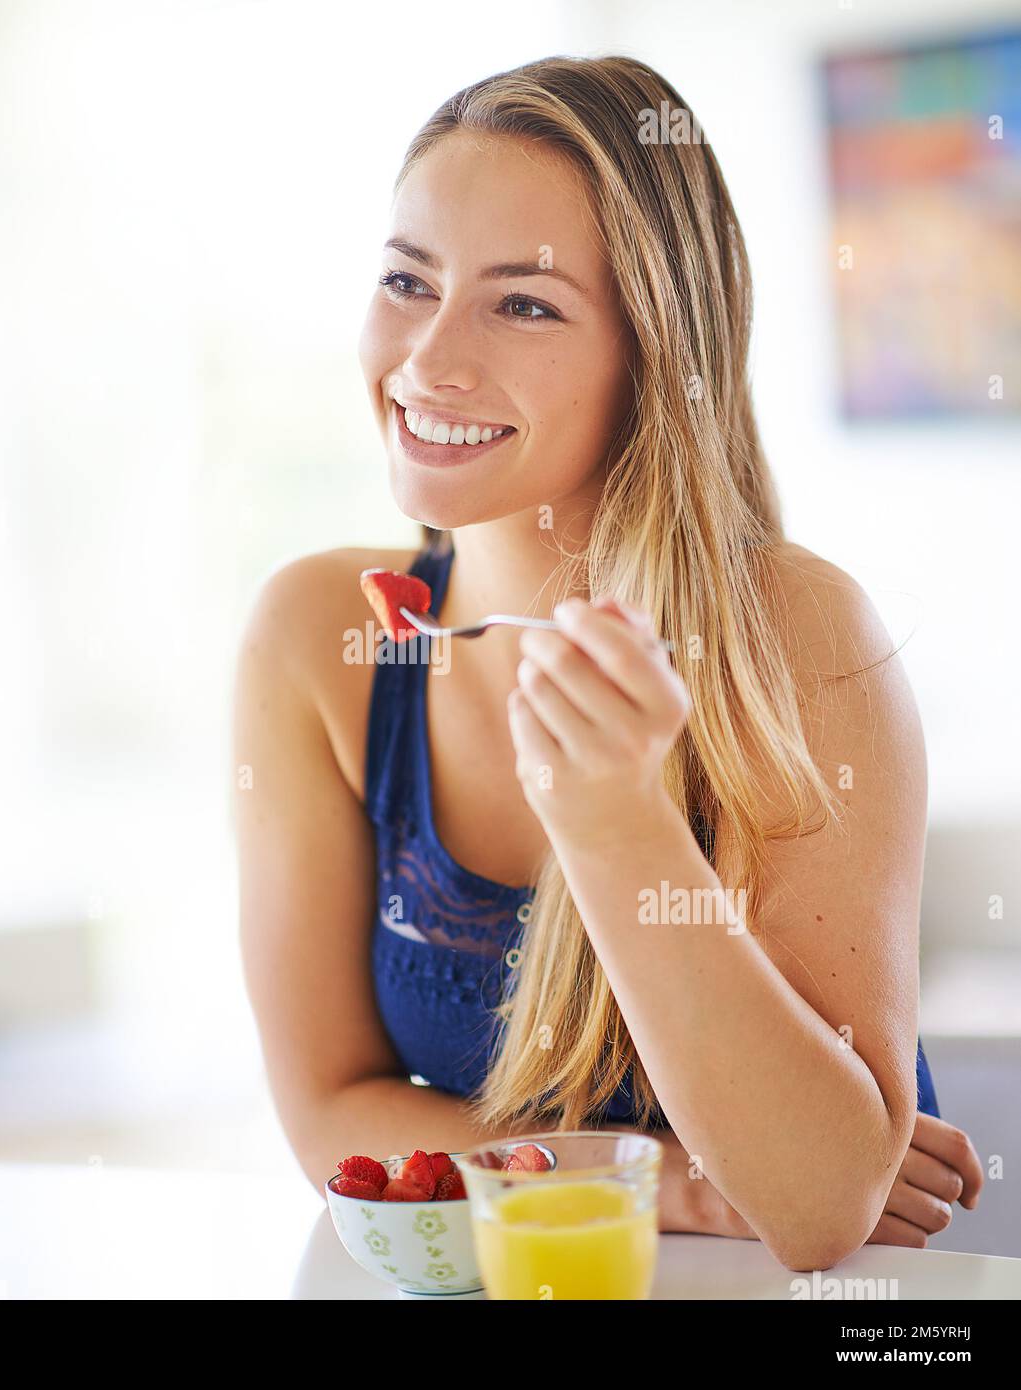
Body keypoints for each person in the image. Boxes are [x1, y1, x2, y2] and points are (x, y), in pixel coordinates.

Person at [233, 54, 983, 1271]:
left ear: (655, 350)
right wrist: (671, 1179)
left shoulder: (801, 642)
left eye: (522, 303)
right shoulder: (316, 637)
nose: (428, 360)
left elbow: (810, 1206)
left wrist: (614, 817)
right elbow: (332, 1118)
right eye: (405, 280)